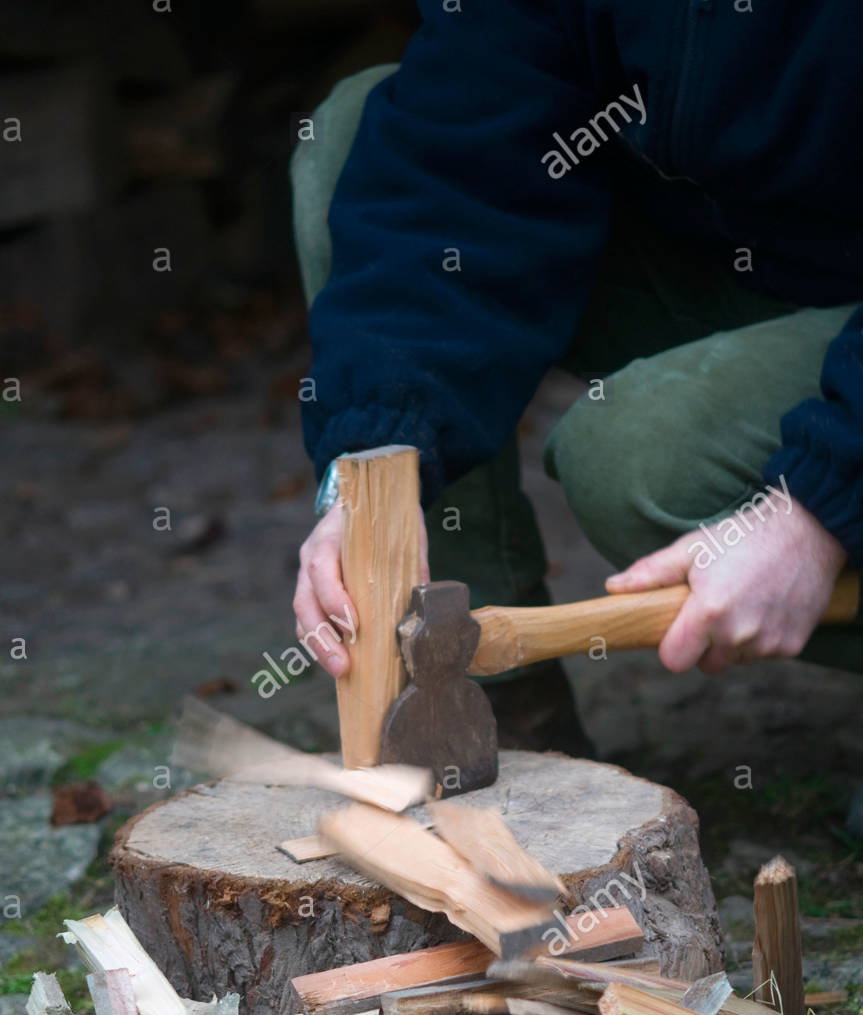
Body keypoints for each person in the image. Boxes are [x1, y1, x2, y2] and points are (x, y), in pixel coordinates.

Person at [290, 1, 862, 752]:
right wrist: (369, 460)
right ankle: (487, 718)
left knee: (639, 463)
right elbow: (461, 159)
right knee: (351, 134)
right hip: (735, 252)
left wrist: (817, 507)